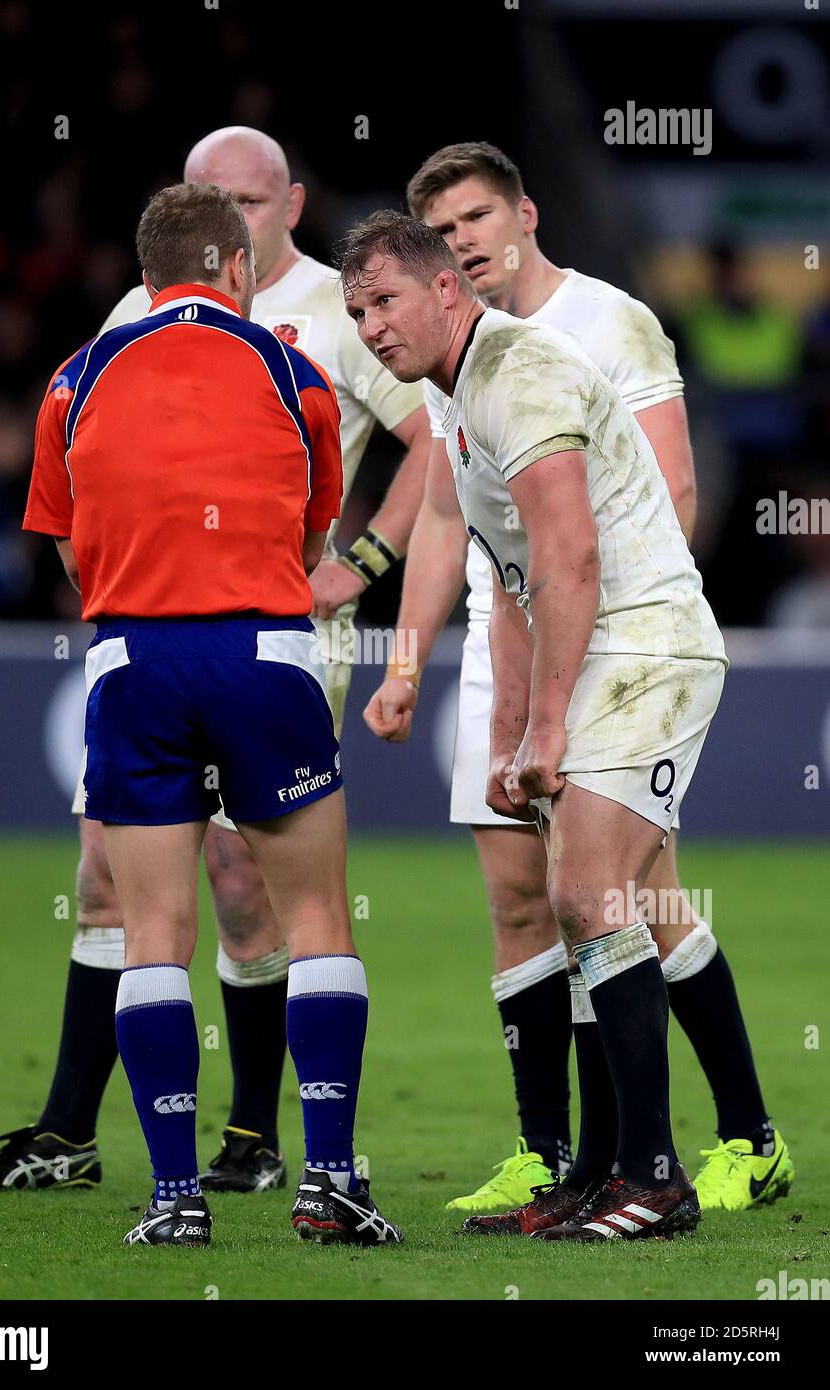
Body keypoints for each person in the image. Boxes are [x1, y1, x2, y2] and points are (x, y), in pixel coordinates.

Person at [0, 128, 428, 1198]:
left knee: (232, 886)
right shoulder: (209, 340)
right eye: (216, 200)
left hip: (228, 636)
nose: (236, 219)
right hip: (210, 639)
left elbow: (431, 440)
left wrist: (362, 561)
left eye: (251, 200)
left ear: (288, 208)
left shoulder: (335, 322)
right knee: (109, 883)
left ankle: (240, 1144)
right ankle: (82, 1130)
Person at [363, 144, 792, 1218]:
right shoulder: (461, 394)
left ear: (450, 287)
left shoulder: (535, 365)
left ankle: (658, 1173)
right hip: (579, 641)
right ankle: (600, 1167)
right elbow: (509, 577)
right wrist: (513, 728)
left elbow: (572, 557)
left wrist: (548, 720)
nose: (369, 332)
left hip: (642, 641)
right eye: (357, 311)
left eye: (383, 305)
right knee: (574, 898)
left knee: (608, 894)